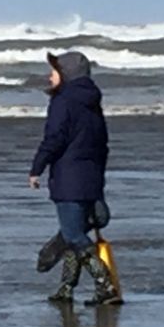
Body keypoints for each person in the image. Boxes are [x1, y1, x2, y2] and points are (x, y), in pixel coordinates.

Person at [29, 51, 121, 306]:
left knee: (73, 234)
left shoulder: (63, 102)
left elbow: (54, 139)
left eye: (54, 71)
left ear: (67, 74)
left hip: (69, 178)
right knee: (78, 229)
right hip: (90, 176)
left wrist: (37, 168)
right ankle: (67, 286)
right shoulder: (91, 102)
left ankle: (105, 285)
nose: (50, 76)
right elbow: (103, 144)